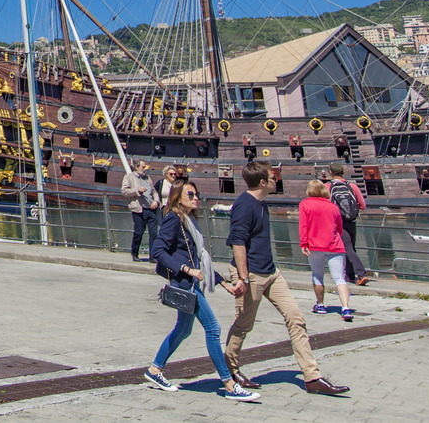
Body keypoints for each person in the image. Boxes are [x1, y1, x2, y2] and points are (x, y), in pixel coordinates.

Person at [225, 160, 350, 396]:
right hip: (251, 274)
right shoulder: (244, 205)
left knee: (296, 318)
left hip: (271, 272)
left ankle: (312, 377)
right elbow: (237, 242)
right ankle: (230, 371)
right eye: (273, 177)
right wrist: (243, 278)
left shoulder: (261, 203)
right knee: (244, 324)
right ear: (263, 182)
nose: (276, 180)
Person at [143, 180, 257, 401]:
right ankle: (229, 384)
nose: (196, 198)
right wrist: (186, 269)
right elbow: (157, 251)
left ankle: (155, 370)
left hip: (191, 283)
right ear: (177, 197)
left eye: (196, 194)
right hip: (186, 283)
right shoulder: (173, 219)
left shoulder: (189, 221)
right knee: (213, 328)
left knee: (183, 330)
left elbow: (198, 257)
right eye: (190, 194)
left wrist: (223, 283)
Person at [299, 180, 354, 322]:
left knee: (317, 275)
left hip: (314, 246)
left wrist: (304, 243)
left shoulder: (304, 204)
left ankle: (321, 305)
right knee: (339, 278)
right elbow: (339, 228)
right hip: (334, 245)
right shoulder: (333, 206)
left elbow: (303, 226)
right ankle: (345, 308)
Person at [326, 161, 370, 285]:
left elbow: (326, 205)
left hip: (338, 222)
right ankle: (350, 276)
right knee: (350, 247)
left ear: (330, 172)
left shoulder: (328, 187)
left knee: (347, 247)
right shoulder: (352, 186)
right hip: (351, 221)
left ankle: (361, 274)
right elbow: (363, 205)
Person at [122, 160, 161, 262]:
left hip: (151, 209)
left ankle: (153, 256)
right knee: (139, 232)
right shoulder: (129, 177)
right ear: (136, 167)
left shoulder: (147, 178)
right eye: (143, 167)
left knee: (154, 233)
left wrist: (156, 201)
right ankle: (135, 253)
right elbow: (124, 191)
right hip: (139, 210)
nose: (145, 169)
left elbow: (154, 191)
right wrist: (137, 190)